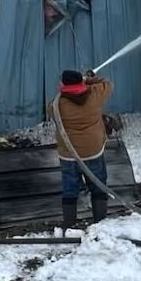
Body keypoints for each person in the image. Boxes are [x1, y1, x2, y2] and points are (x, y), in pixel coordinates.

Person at [48, 69, 114, 230]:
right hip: (93, 151)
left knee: (70, 188)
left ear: (63, 84)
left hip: (69, 155)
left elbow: (51, 111)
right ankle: (100, 223)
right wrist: (90, 79)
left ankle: (69, 225)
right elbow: (108, 84)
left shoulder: (56, 105)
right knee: (98, 184)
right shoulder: (95, 94)